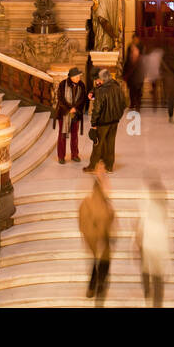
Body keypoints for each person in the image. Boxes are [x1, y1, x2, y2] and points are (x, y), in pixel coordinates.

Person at [78, 168, 114, 303]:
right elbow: (110, 221)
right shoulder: (105, 206)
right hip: (103, 243)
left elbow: (81, 223)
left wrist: (88, 236)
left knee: (94, 264)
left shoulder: (86, 203)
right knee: (103, 268)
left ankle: (91, 288)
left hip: (91, 242)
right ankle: (98, 291)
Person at [135, 180, 171, 308]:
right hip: (156, 249)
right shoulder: (160, 213)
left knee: (149, 274)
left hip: (149, 247)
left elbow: (141, 225)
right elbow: (166, 233)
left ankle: (148, 295)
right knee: (157, 280)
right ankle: (155, 302)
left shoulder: (149, 212)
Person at [84, 68, 125, 174]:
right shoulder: (117, 86)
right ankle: (109, 166)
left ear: (103, 79)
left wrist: (93, 124)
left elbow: (96, 110)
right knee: (111, 143)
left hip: (102, 123)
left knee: (97, 144)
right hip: (114, 121)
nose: (97, 81)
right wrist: (118, 116)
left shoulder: (101, 91)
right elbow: (124, 103)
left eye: (98, 80)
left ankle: (92, 166)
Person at [54, 67, 89, 164]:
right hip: (64, 113)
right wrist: (69, 108)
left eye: (79, 76)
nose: (79, 78)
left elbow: (82, 99)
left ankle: (75, 155)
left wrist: (76, 109)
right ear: (72, 77)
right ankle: (61, 156)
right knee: (62, 135)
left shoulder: (81, 85)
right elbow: (60, 99)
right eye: (77, 77)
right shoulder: (62, 84)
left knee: (75, 135)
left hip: (76, 114)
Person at [123, 40, 144, 111]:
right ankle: (132, 103)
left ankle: (137, 105)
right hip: (131, 79)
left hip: (138, 79)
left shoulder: (140, 60)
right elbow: (126, 67)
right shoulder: (129, 60)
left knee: (138, 92)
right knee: (132, 92)